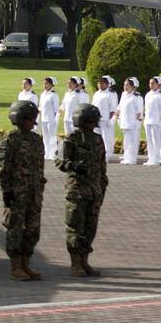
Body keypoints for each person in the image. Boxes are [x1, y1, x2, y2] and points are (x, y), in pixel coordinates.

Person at [57, 103, 108, 277]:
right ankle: (75, 264)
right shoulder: (71, 139)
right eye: (91, 121)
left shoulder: (97, 139)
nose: (93, 124)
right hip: (77, 191)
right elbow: (60, 162)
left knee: (90, 227)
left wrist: (102, 186)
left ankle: (85, 261)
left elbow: (102, 165)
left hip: (94, 191)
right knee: (75, 227)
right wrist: (74, 166)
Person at [0, 99, 45, 281]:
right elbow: (3, 168)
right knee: (15, 229)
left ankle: (26, 263)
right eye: (30, 119)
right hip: (16, 194)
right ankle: (15, 266)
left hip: (34, 193)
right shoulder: (10, 140)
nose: (33, 123)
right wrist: (6, 191)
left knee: (32, 230)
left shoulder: (36, 140)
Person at [115, 77, 144, 165]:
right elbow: (119, 107)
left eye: (127, 85)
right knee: (126, 141)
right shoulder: (124, 95)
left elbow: (139, 111)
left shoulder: (137, 97)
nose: (125, 87)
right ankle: (126, 157)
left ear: (133, 87)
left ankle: (132, 159)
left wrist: (138, 122)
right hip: (125, 121)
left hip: (133, 123)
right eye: (124, 85)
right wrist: (116, 117)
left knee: (133, 141)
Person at [143, 77, 161, 166]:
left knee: (156, 141)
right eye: (150, 83)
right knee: (149, 141)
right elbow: (146, 109)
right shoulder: (147, 94)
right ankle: (151, 158)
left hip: (156, 121)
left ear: (158, 85)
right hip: (148, 121)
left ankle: (156, 158)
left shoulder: (160, 96)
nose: (151, 85)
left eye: (153, 83)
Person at [92, 75, 118, 159]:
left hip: (105, 119)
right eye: (99, 83)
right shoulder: (97, 93)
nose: (100, 85)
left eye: (102, 83)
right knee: (97, 138)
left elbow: (113, 108)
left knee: (107, 138)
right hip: (96, 119)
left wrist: (110, 119)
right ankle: (98, 154)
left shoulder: (111, 94)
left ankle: (107, 155)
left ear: (107, 84)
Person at [38, 77, 60, 160]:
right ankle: (46, 153)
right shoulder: (42, 94)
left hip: (51, 119)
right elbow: (40, 106)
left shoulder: (53, 95)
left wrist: (54, 119)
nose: (45, 85)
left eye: (46, 84)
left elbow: (56, 109)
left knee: (52, 136)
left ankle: (53, 154)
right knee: (45, 136)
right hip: (44, 118)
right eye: (44, 83)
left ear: (51, 85)